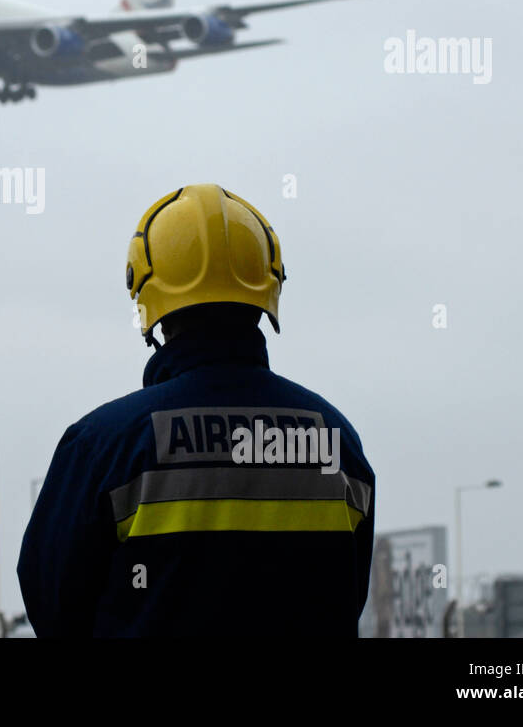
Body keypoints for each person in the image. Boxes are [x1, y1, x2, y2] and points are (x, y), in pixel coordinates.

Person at [18, 183, 375, 636]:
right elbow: (347, 597)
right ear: (268, 286)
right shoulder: (337, 442)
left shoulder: (103, 445)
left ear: (146, 293)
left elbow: (52, 603)